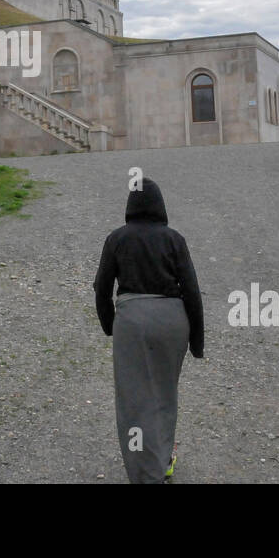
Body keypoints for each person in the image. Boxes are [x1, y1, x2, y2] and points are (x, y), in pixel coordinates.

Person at [93, 177, 204, 483]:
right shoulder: (174, 239)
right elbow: (192, 290)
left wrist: (110, 326)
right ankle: (164, 459)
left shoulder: (116, 239)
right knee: (164, 394)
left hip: (133, 321)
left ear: (130, 207)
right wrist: (196, 341)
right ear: (160, 205)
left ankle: (146, 474)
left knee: (135, 400)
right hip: (173, 320)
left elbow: (101, 288)